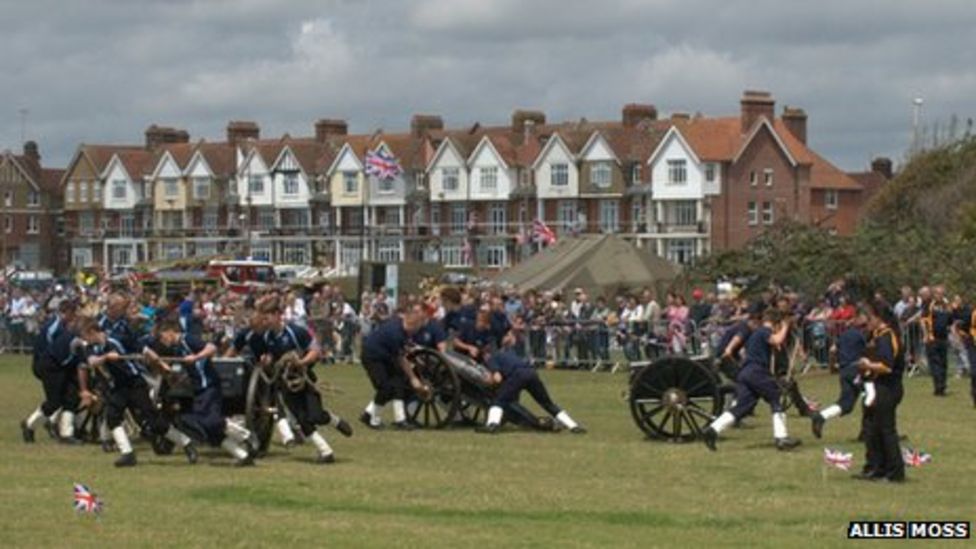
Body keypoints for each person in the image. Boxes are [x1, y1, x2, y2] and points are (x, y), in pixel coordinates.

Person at [77, 317, 199, 467]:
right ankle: (127, 453)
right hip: (118, 387)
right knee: (112, 417)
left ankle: (186, 443)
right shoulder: (92, 347)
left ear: (92, 332)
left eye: (84, 336)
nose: (84, 340)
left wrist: (160, 363)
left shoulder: (118, 339)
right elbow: (92, 361)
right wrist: (106, 357)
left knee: (154, 422)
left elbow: (145, 350)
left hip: (135, 383)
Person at [143, 319, 256, 466]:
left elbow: (211, 348)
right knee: (208, 430)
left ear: (170, 332)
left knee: (211, 421)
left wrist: (196, 357)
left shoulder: (187, 339)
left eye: (162, 336)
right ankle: (243, 455)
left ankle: (246, 436)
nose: (162, 341)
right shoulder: (177, 348)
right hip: (198, 389)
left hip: (209, 385)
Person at [257, 298, 352, 463]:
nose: (265, 321)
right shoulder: (267, 337)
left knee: (315, 416)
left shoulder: (295, 331)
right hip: (286, 384)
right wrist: (267, 360)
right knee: (302, 419)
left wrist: (301, 362)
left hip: (305, 379)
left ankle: (333, 420)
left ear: (278, 315)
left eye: (267, 317)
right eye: (263, 318)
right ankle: (326, 452)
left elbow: (316, 350)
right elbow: (267, 356)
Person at [702, 309, 801, 451]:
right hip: (756, 371)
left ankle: (712, 430)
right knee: (775, 397)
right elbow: (777, 340)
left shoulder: (755, 334)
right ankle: (782, 438)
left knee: (742, 406)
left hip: (745, 372)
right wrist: (785, 326)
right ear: (775, 323)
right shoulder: (764, 331)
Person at [477, 332, 585, 434]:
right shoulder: (508, 353)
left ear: (486, 354)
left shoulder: (492, 358)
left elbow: (498, 378)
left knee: (499, 401)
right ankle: (573, 426)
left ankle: (492, 425)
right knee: (547, 403)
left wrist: (488, 381)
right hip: (531, 373)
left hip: (516, 376)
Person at [855, 301, 906, 482]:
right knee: (871, 429)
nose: (866, 322)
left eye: (869, 318)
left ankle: (895, 472)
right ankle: (875, 467)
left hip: (888, 387)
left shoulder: (887, 336)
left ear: (878, 318)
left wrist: (868, 365)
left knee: (886, 430)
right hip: (875, 387)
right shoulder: (876, 335)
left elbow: (887, 366)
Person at [20, 299, 82, 443]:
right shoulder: (54, 327)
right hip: (49, 366)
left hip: (61, 365)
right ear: (65, 312)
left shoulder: (65, 326)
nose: (75, 316)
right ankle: (29, 425)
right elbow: (47, 351)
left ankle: (67, 433)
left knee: (71, 397)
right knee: (54, 402)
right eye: (73, 313)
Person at [359, 304, 428, 430]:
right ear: (413, 325)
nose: (418, 331)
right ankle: (372, 419)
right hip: (373, 357)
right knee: (385, 388)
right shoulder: (395, 334)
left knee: (398, 383)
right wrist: (414, 379)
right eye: (418, 328)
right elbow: (401, 359)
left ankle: (399, 420)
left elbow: (406, 346)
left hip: (385, 356)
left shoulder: (401, 325)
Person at [811, 312, 868, 438]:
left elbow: (832, 350)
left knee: (846, 404)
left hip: (844, 371)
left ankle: (821, 416)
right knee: (869, 395)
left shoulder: (843, 335)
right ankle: (867, 431)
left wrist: (833, 366)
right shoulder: (860, 335)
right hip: (855, 370)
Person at [922, 285, 952, 396]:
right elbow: (923, 321)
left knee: (943, 363)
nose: (940, 296)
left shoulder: (946, 306)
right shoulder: (929, 305)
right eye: (938, 293)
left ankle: (943, 386)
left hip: (943, 338)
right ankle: (938, 387)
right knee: (935, 364)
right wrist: (925, 335)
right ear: (934, 294)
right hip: (932, 338)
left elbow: (950, 320)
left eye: (942, 293)